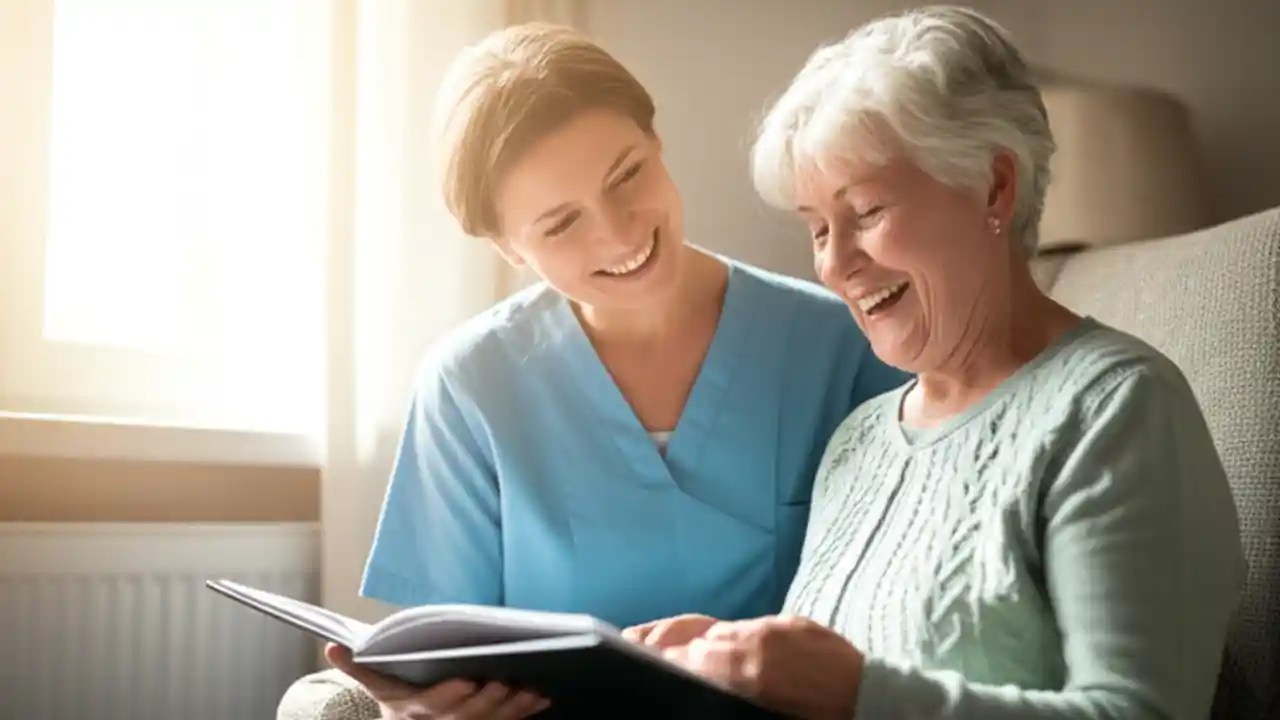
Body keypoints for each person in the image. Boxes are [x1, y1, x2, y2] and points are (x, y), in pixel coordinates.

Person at [627, 6, 1245, 720]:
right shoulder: (858, 442)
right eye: (818, 227)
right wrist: (727, 664)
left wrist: (855, 693)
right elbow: (854, 669)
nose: (835, 263)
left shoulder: (1114, 410)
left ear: (993, 185)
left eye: (866, 211)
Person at [283, 21, 907, 720]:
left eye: (628, 175)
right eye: (560, 224)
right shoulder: (469, 387)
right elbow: (442, 653)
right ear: (508, 248)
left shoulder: (839, 344)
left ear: (658, 143)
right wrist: (425, 710)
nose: (618, 233)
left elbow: (899, 610)